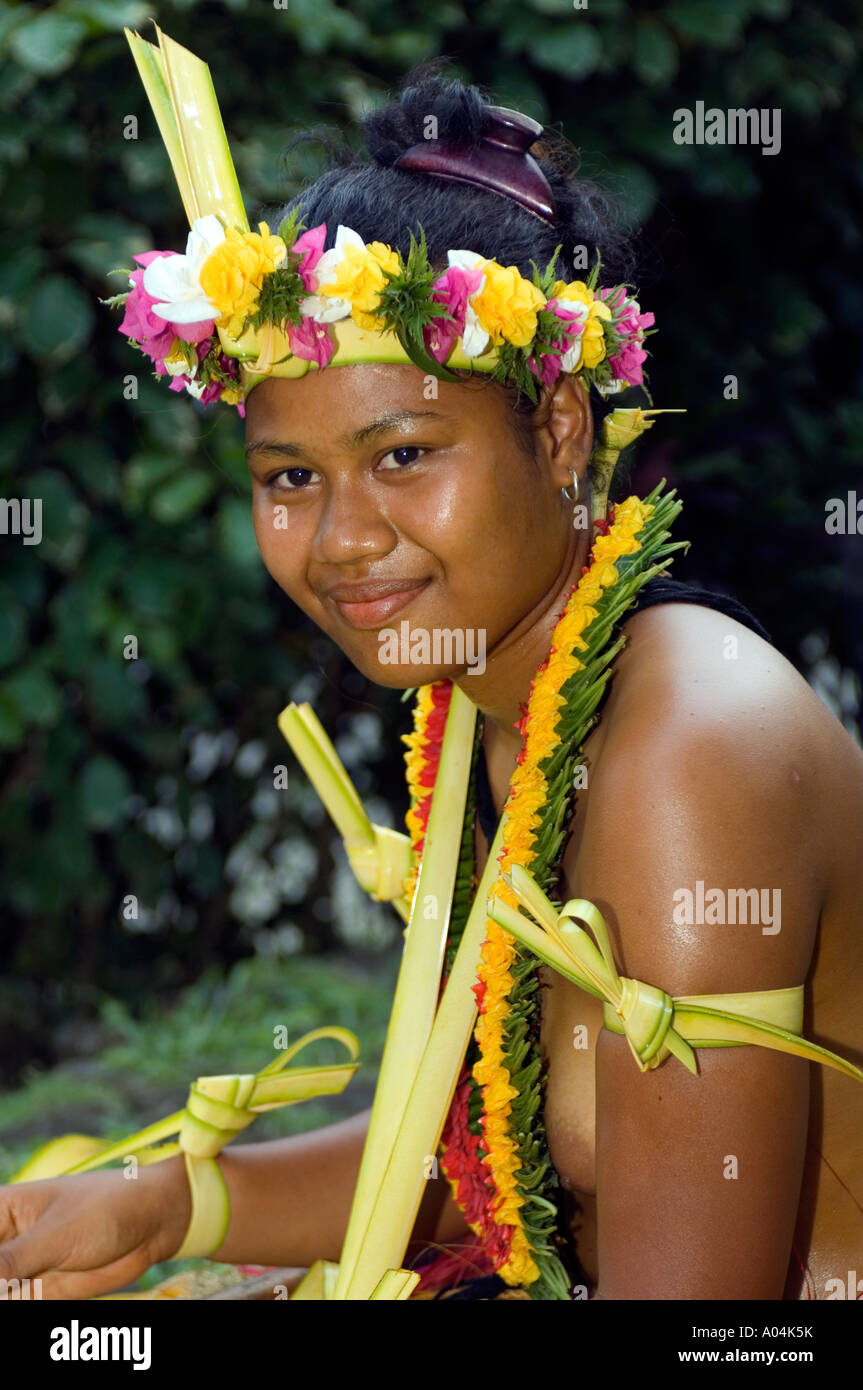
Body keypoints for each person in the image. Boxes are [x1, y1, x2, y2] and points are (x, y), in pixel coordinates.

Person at [2, 50, 863, 1303]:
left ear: (560, 428)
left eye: (403, 453)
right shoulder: (495, 708)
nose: (343, 538)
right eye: (290, 477)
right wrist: (163, 1198)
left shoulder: (692, 751)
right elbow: (522, 1165)